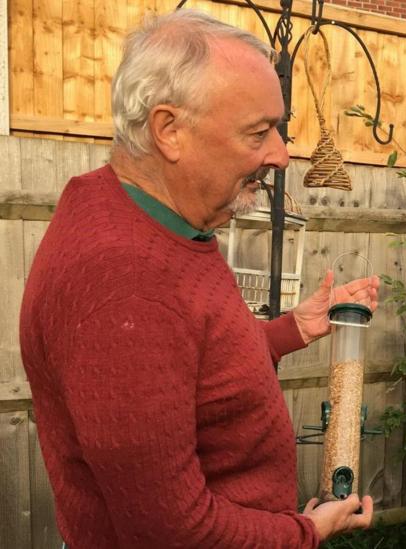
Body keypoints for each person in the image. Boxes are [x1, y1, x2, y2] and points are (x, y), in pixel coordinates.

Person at [19, 9, 379, 548]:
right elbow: (171, 532)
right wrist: (304, 532)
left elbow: (181, 367)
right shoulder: (123, 279)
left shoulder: (149, 216)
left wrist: (290, 331)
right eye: (259, 132)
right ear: (170, 131)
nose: (281, 155)